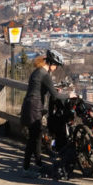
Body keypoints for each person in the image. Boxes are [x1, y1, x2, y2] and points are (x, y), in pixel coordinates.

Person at [20, 49, 66, 178]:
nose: (56, 68)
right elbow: (56, 95)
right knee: (33, 139)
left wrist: (53, 89)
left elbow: (41, 87)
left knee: (37, 136)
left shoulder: (38, 71)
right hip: (34, 108)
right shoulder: (45, 74)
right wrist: (70, 95)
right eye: (56, 65)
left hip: (30, 106)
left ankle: (38, 163)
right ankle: (26, 169)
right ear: (51, 63)